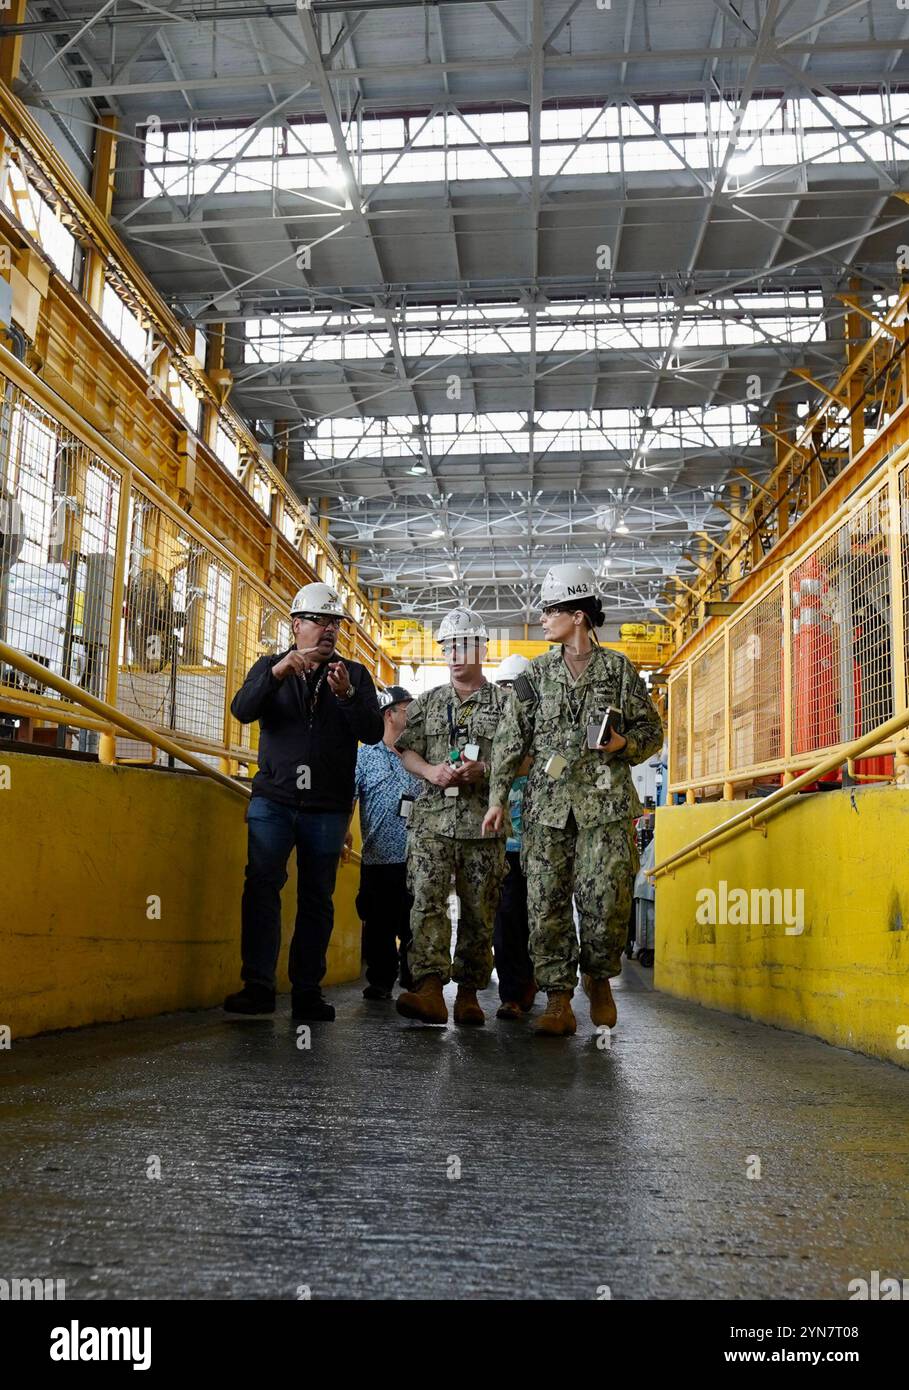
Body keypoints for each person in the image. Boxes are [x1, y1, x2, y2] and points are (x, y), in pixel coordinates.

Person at [482, 563, 664, 1037]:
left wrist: (622, 745)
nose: (543, 619)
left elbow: (652, 731)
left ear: (579, 615)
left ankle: (598, 977)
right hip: (546, 810)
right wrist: (498, 798)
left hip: (605, 808)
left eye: (552, 610)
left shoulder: (618, 669)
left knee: (607, 902)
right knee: (546, 904)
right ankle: (558, 998)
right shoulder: (536, 674)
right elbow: (509, 739)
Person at [224, 581, 383, 1021]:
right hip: (274, 800)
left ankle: (306, 993)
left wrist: (347, 696)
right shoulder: (269, 667)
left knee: (317, 897)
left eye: (335, 623)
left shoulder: (355, 675)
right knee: (261, 886)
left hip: (327, 809)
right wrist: (277, 674)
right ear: (297, 625)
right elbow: (241, 709)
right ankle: (257, 987)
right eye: (320, 620)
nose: (329, 629)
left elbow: (372, 733)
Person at [394, 607, 509, 1027]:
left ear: (481, 647)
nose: (455, 654)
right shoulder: (426, 703)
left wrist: (488, 769)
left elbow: (526, 756)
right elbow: (406, 750)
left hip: (483, 825)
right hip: (432, 824)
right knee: (426, 903)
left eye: (464, 645)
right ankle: (428, 990)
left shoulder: (505, 703)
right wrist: (430, 771)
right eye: (447, 647)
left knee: (480, 911)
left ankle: (468, 994)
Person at [352, 685, 423, 1001]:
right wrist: (343, 830)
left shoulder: (419, 755)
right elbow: (349, 797)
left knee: (414, 922)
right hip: (378, 857)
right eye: (406, 707)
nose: (412, 713)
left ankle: (414, 979)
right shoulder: (364, 755)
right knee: (378, 924)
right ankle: (381, 979)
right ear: (389, 713)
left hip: (416, 858)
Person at [491, 653, 537, 1021]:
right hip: (504, 846)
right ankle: (511, 995)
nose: (510, 693)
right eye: (504, 686)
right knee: (506, 921)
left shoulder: (544, 726)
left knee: (540, 920)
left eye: (515, 686)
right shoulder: (494, 729)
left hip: (541, 847)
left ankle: (537, 986)